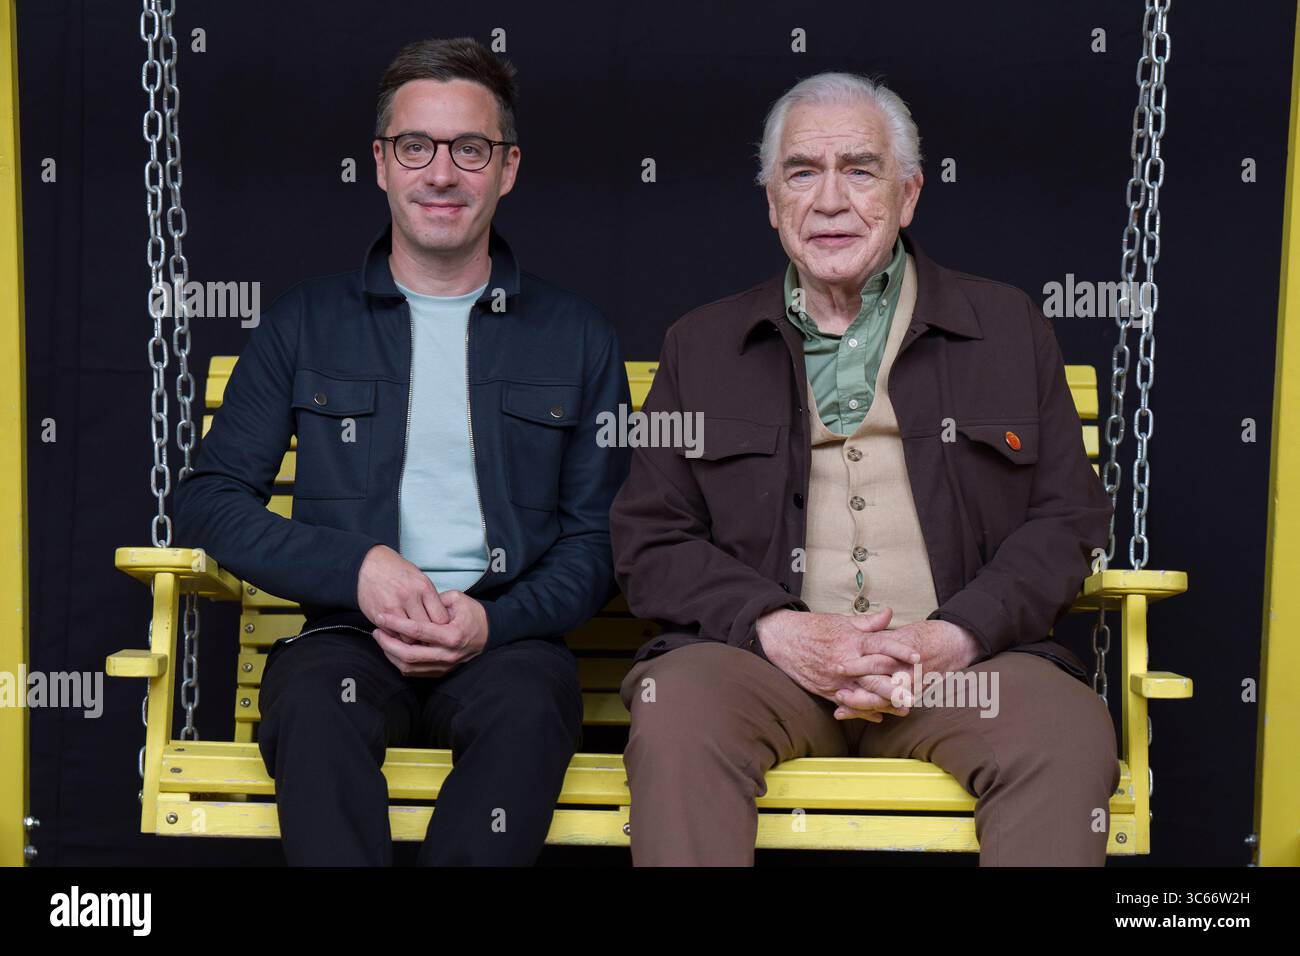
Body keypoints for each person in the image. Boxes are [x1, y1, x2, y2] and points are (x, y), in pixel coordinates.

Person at [609, 71, 1120, 866]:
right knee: (675, 707)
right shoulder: (701, 345)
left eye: (860, 168)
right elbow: (650, 540)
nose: (830, 200)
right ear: (773, 201)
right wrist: (780, 631)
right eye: (802, 172)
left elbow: (1068, 522)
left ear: (909, 194)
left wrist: (957, 634)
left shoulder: (1008, 327)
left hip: (960, 674)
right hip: (768, 672)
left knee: (1065, 729)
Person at [176, 36, 630, 865]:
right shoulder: (303, 324)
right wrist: (356, 570)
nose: (443, 173)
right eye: (416, 147)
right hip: (345, 638)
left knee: (531, 711)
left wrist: (494, 621)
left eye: (471, 148)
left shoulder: (576, 338)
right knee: (314, 709)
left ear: (508, 168)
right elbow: (209, 497)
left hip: (507, 643)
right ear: (382, 164)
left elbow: (596, 542)